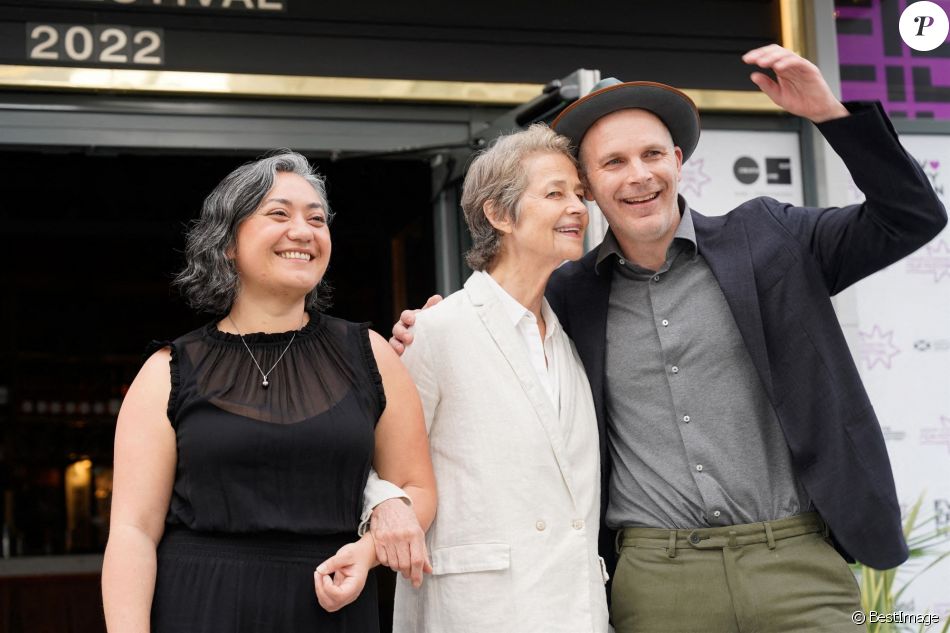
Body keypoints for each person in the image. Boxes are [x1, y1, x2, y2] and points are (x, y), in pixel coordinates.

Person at [391, 45, 947, 632]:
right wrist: (428, 328)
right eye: (613, 163)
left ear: (678, 161)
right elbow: (494, 329)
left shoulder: (770, 239)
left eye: (653, 154)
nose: (639, 175)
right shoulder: (568, 295)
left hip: (797, 567)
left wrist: (829, 114)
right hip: (657, 581)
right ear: (589, 185)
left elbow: (911, 217)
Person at [101, 151, 436, 633]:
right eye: (278, 214)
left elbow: (418, 487)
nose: (303, 231)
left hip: (331, 607)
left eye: (316, 219)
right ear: (227, 244)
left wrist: (367, 553)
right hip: (200, 608)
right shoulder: (167, 371)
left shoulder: (371, 354)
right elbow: (133, 532)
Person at [391, 124, 609, 633]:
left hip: (575, 608)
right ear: (498, 213)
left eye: (579, 194)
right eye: (555, 193)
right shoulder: (437, 330)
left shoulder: (571, 334)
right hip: (479, 611)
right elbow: (383, 469)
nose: (578, 207)